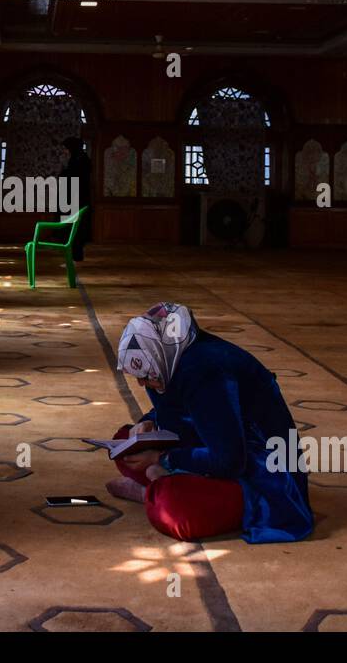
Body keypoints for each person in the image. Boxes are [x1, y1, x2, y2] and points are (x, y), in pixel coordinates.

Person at [107, 301, 314, 543]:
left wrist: (162, 458)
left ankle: (150, 492)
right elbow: (186, 408)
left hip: (261, 473)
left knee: (174, 511)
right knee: (123, 443)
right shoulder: (170, 359)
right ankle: (162, 482)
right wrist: (148, 422)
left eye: (145, 376)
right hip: (212, 445)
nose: (142, 384)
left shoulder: (207, 372)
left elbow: (230, 461)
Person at [57, 136, 92, 260]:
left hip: (77, 200)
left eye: (66, 148)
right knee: (73, 228)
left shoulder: (81, 160)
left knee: (76, 229)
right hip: (73, 199)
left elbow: (74, 179)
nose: (65, 151)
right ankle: (72, 255)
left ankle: (75, 256)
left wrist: (63, 173)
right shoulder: (77, 159)